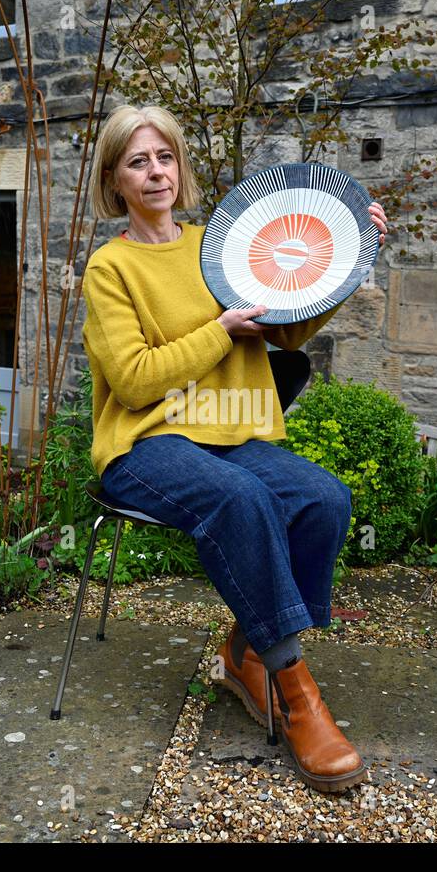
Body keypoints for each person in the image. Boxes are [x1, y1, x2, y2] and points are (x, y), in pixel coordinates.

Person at [79, 104, 388, 793]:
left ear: (180, 167)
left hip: (229, 429)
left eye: (165, 157)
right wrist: (220, 331)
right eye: (137, 162)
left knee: (324, 498)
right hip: (146, 443)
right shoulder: (110, 268)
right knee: (242, 499)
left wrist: (350, 258)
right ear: (115, 180)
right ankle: (297, 692)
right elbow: (133, 381)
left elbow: (286, 331)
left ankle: (247, 652)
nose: (155, 172)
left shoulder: (218, 245)